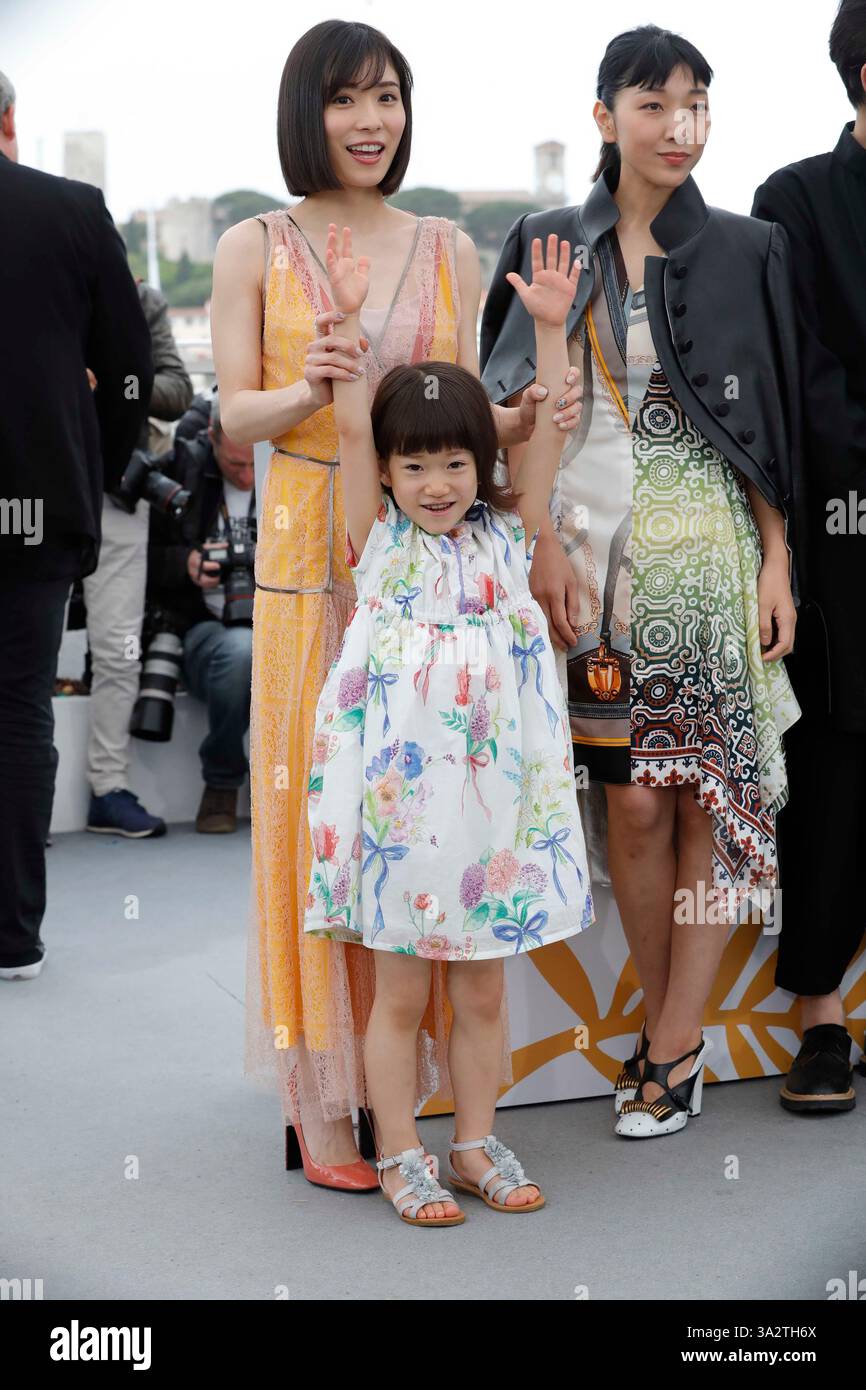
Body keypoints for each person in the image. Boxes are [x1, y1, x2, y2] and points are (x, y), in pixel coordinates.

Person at [210, 18, 581, 1190]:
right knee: (317, 829)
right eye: (345, 100)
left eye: (387, 98)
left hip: (428, 563)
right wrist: (308, 384)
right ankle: (324, 1104)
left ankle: (418, 1109)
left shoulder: (443, 245)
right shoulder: (248, 244)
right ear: (303, 112)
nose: (371, 122)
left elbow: (461, 415)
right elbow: (228, 418)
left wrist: (535, 427)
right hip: (305, 546)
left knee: (425, 808)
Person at [481, 25, 805, 1137]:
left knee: (705, 795)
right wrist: (534, 529)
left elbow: (773, 420)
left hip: (704, 546)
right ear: (603, 114)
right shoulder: (540, 236)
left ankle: (671, 1042)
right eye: (655, 106)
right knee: (626, 798)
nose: (679, 130)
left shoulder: (748, 246)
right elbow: (501, 401)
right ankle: (673, 1027)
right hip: (578, 544)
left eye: (697, 107)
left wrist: (775, 555)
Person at [303, 223, 593, 1224]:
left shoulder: (510, 537)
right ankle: (399, 1153)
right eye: (414, 465)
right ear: (386, 471)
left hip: (493, 810)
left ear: (481, 463)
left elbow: (547, 425)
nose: (436, 484)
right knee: (395, 995)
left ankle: (471, 1142)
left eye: (455, 463)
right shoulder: (376, 545)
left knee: (476, 993)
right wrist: (342, 321)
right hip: (399, 804)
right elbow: (344, 432)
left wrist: (551, 334)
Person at [0, 70, 153, 981]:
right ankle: (12, 937)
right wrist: (92, 465)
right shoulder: (71, 209)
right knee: (19, 709)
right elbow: (129, 367)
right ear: (10, 117)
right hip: (39, 503)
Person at [751, 0, 866, 1111]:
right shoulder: (791, 202)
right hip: (843, 528)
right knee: (833, 765)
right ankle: (819, 1018)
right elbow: (804, 381)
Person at [84, 278, 192, 839]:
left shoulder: (142, 299)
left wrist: (116, 382)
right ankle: (24, 796)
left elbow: (179, 391)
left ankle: (108, 787)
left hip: (120, 490)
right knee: (20, 642)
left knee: (119, 646)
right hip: (34, 489)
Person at [145, 394, 254, 833]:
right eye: (234, 465)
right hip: (203, 630)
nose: (247, 477)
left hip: (284, 624)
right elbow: (138, 560)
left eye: (253, 464)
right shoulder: (183, 471)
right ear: (211, 439)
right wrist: (185, 563)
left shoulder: (288, 471)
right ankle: (223, 782)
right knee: (242, 652)